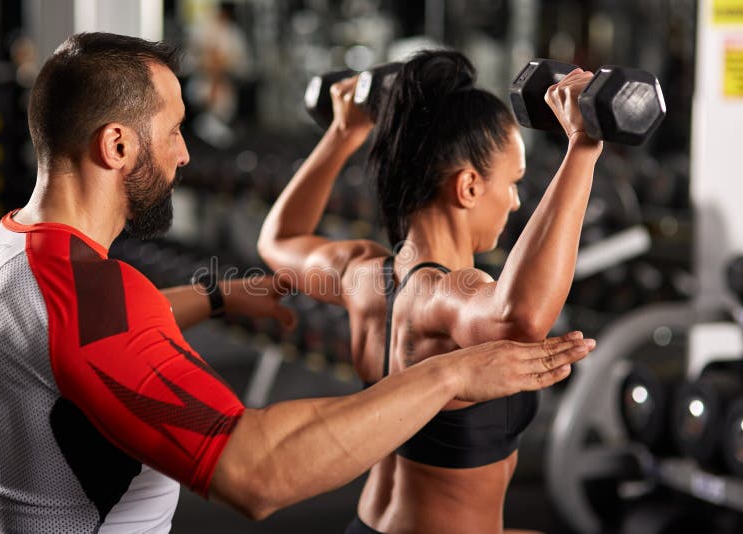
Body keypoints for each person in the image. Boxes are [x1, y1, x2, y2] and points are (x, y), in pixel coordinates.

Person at [0, 34, 595, 533]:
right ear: (117, 146)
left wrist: (221, 295)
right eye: (172, 132)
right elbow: (258, 475)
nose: (185, 154)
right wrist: (451, 376)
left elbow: (78, 341)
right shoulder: (87, 295)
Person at [258, 49, 603, 534]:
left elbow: (279, 240)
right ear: (467, 187)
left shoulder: (365, 275)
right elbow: (518, 318)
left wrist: (342, 134)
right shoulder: (447, 295)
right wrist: (582, 147)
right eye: (514, 182)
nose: (516, 200)